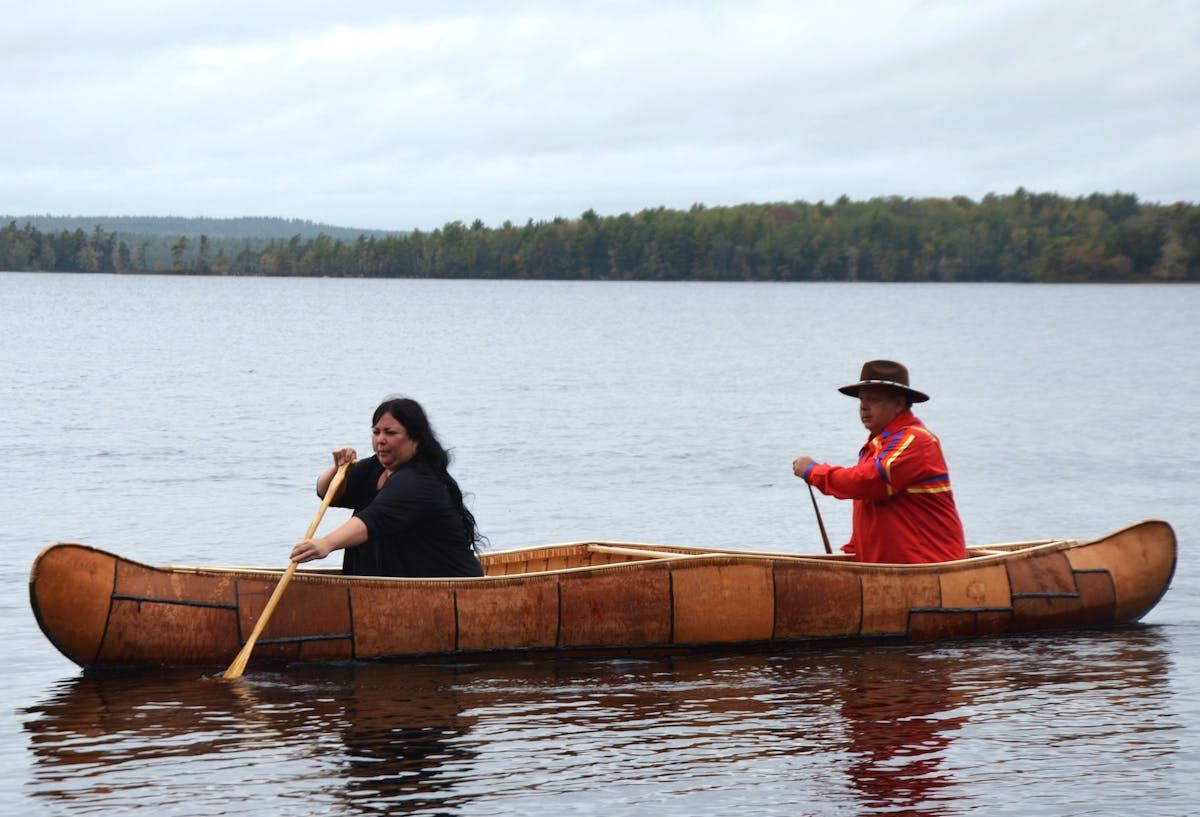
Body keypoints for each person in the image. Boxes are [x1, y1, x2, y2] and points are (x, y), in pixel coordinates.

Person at [792, 360, 967, 564]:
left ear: (899, 404)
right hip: (894, 571)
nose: (864, 407)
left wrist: (814, 471)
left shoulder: (915, 441)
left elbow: (871, 481)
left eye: (874, 400)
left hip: (930, 568)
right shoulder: (877, 445)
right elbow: (869, 504)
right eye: (861, 400)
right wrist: (852, 551)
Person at [290, 396, 485, 578]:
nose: (380, 440)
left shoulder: (418, 481)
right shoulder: (376, 466)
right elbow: (326, 493)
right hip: (393, 589)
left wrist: (327, 543)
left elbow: (371, 521)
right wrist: (338, 469)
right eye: (376, 432)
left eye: (390, 433)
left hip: (449, 586)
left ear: (416, 439)